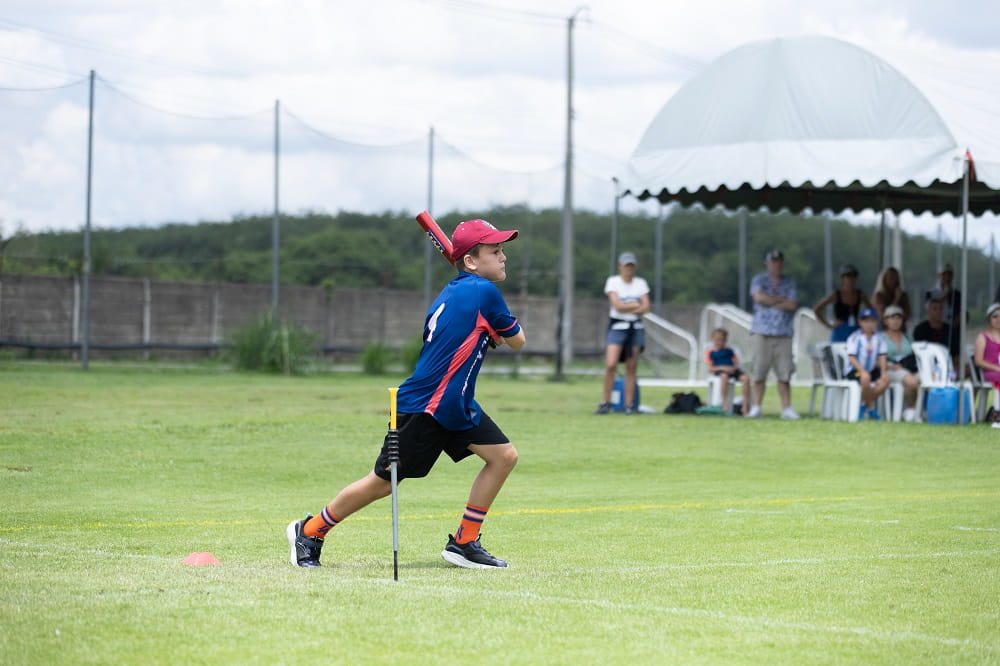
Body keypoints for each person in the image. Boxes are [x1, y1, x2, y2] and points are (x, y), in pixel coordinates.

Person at [286, 218, 525, 569]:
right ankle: (309, 530)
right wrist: (498, 334)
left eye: (503, 250)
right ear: (470, 261)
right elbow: (518, 341)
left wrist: (491, 334)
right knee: (384, 483)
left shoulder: (459, 292)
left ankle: (464, 541)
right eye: (495, 251)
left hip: (455, 404)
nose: (503, 257)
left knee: (503, 456)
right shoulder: (482, 292)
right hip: (427, 406)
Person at [747, 248, 800, 420]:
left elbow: (792, 305)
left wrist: (769, 299)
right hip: (761, 332)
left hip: (783, 333)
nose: (776, 265)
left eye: (779, 262)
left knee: (784, 374)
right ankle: (756, 407)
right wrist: (780, 299)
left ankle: (786, 408)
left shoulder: (790, 282)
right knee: (759, 372)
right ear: (767, 263)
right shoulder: (759, 279)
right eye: (773, 261)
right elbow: (759, 298)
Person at [595, 251, 650, 415]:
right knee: (611, 364)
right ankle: (606, 403)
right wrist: (635, 304)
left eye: (631, 266)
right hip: (617, 327)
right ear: (620, 266)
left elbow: (646, 307)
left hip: (635, 328)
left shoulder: (640, 283)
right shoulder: (613, 282)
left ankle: (628, 405)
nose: (629, 269)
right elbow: (617, 306)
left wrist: (629, 305)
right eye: (626, 266)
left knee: (631, 367)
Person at [844, 308, 890, 421]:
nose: (869, 324)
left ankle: (864, 405)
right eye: (866, 321)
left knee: (886, 380)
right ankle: (870, 408)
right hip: (854, 371)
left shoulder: (880, 338)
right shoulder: (855, 337)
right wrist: (862, 371)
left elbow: (882, 356)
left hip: (870, 369)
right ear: (860, 322)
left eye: (872, 321)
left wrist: (883, 373)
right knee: (865, 378)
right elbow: (852, 357)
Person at [812, 264, 872, 342]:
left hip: (856, 330)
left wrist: (864, 322)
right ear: (842, 278)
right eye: (848, 276)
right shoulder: (836, 294)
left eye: (853, 276)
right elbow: (817, 309)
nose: (851, 279)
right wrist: (829, 325)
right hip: (840, 330)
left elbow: (871, 310)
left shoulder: (860, 294)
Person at [881, 304, 920, 422]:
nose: (896, 321)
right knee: (912, 382)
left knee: (929, 379)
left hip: (908, 369)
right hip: (890, 369)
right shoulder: (880, 338)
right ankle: (912, 410)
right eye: (892, 318)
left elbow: (915, 354)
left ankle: (923, 410)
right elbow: (876, 360)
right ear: (886, 320)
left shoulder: (907, 337)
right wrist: (889, 366)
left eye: (898, 318)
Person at [705, 327, 751, 416]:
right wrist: (723, 368)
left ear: (725, 340)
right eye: (717, 340)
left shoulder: (730, 351)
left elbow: (736, 363)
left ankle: (745, 405)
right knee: (724, 376)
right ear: (712, 339)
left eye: (721, 340)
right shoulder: (710, 353)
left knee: (746, 378)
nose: (719, 342)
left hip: (732, 370)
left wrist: (733, 368)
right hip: (721, 371)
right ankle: (724, 403)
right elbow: (710, 368)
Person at [913, 291, 960, 372]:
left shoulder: (950, 330)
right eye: (935, 309)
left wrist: (956, 366)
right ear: (928, 311)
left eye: (941, 309)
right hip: (927, 365)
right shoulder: (920, 330)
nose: (938, 312)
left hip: (948, 365)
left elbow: (956, 354)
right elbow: (918, 352)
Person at [925, 263, 965, 358]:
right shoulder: (931, 292)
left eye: (949, 275)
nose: (947, 277)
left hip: (952, 327)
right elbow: (929, 308)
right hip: (937, 326)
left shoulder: (956, 293)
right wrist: (945, 295)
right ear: (939, 276)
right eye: (944, 275)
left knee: (953, 351)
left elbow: (960, 309)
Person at [973, 302, 1000, 425]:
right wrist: (996, 368)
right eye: (995, 316)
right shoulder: (983, 337)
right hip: (989, 372)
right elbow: (978, 360)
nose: (998, 319)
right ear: (989, 318)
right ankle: (996, 416)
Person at [871, 266, 911, 330]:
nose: (893, 281)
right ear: (885, 279)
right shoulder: (879, 296)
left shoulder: (903, 295)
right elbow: (883, 315)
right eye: (890, 278)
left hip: (900, 329)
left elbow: (907, 314)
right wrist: (896, 299)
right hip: (883, 329)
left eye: (895, 278)